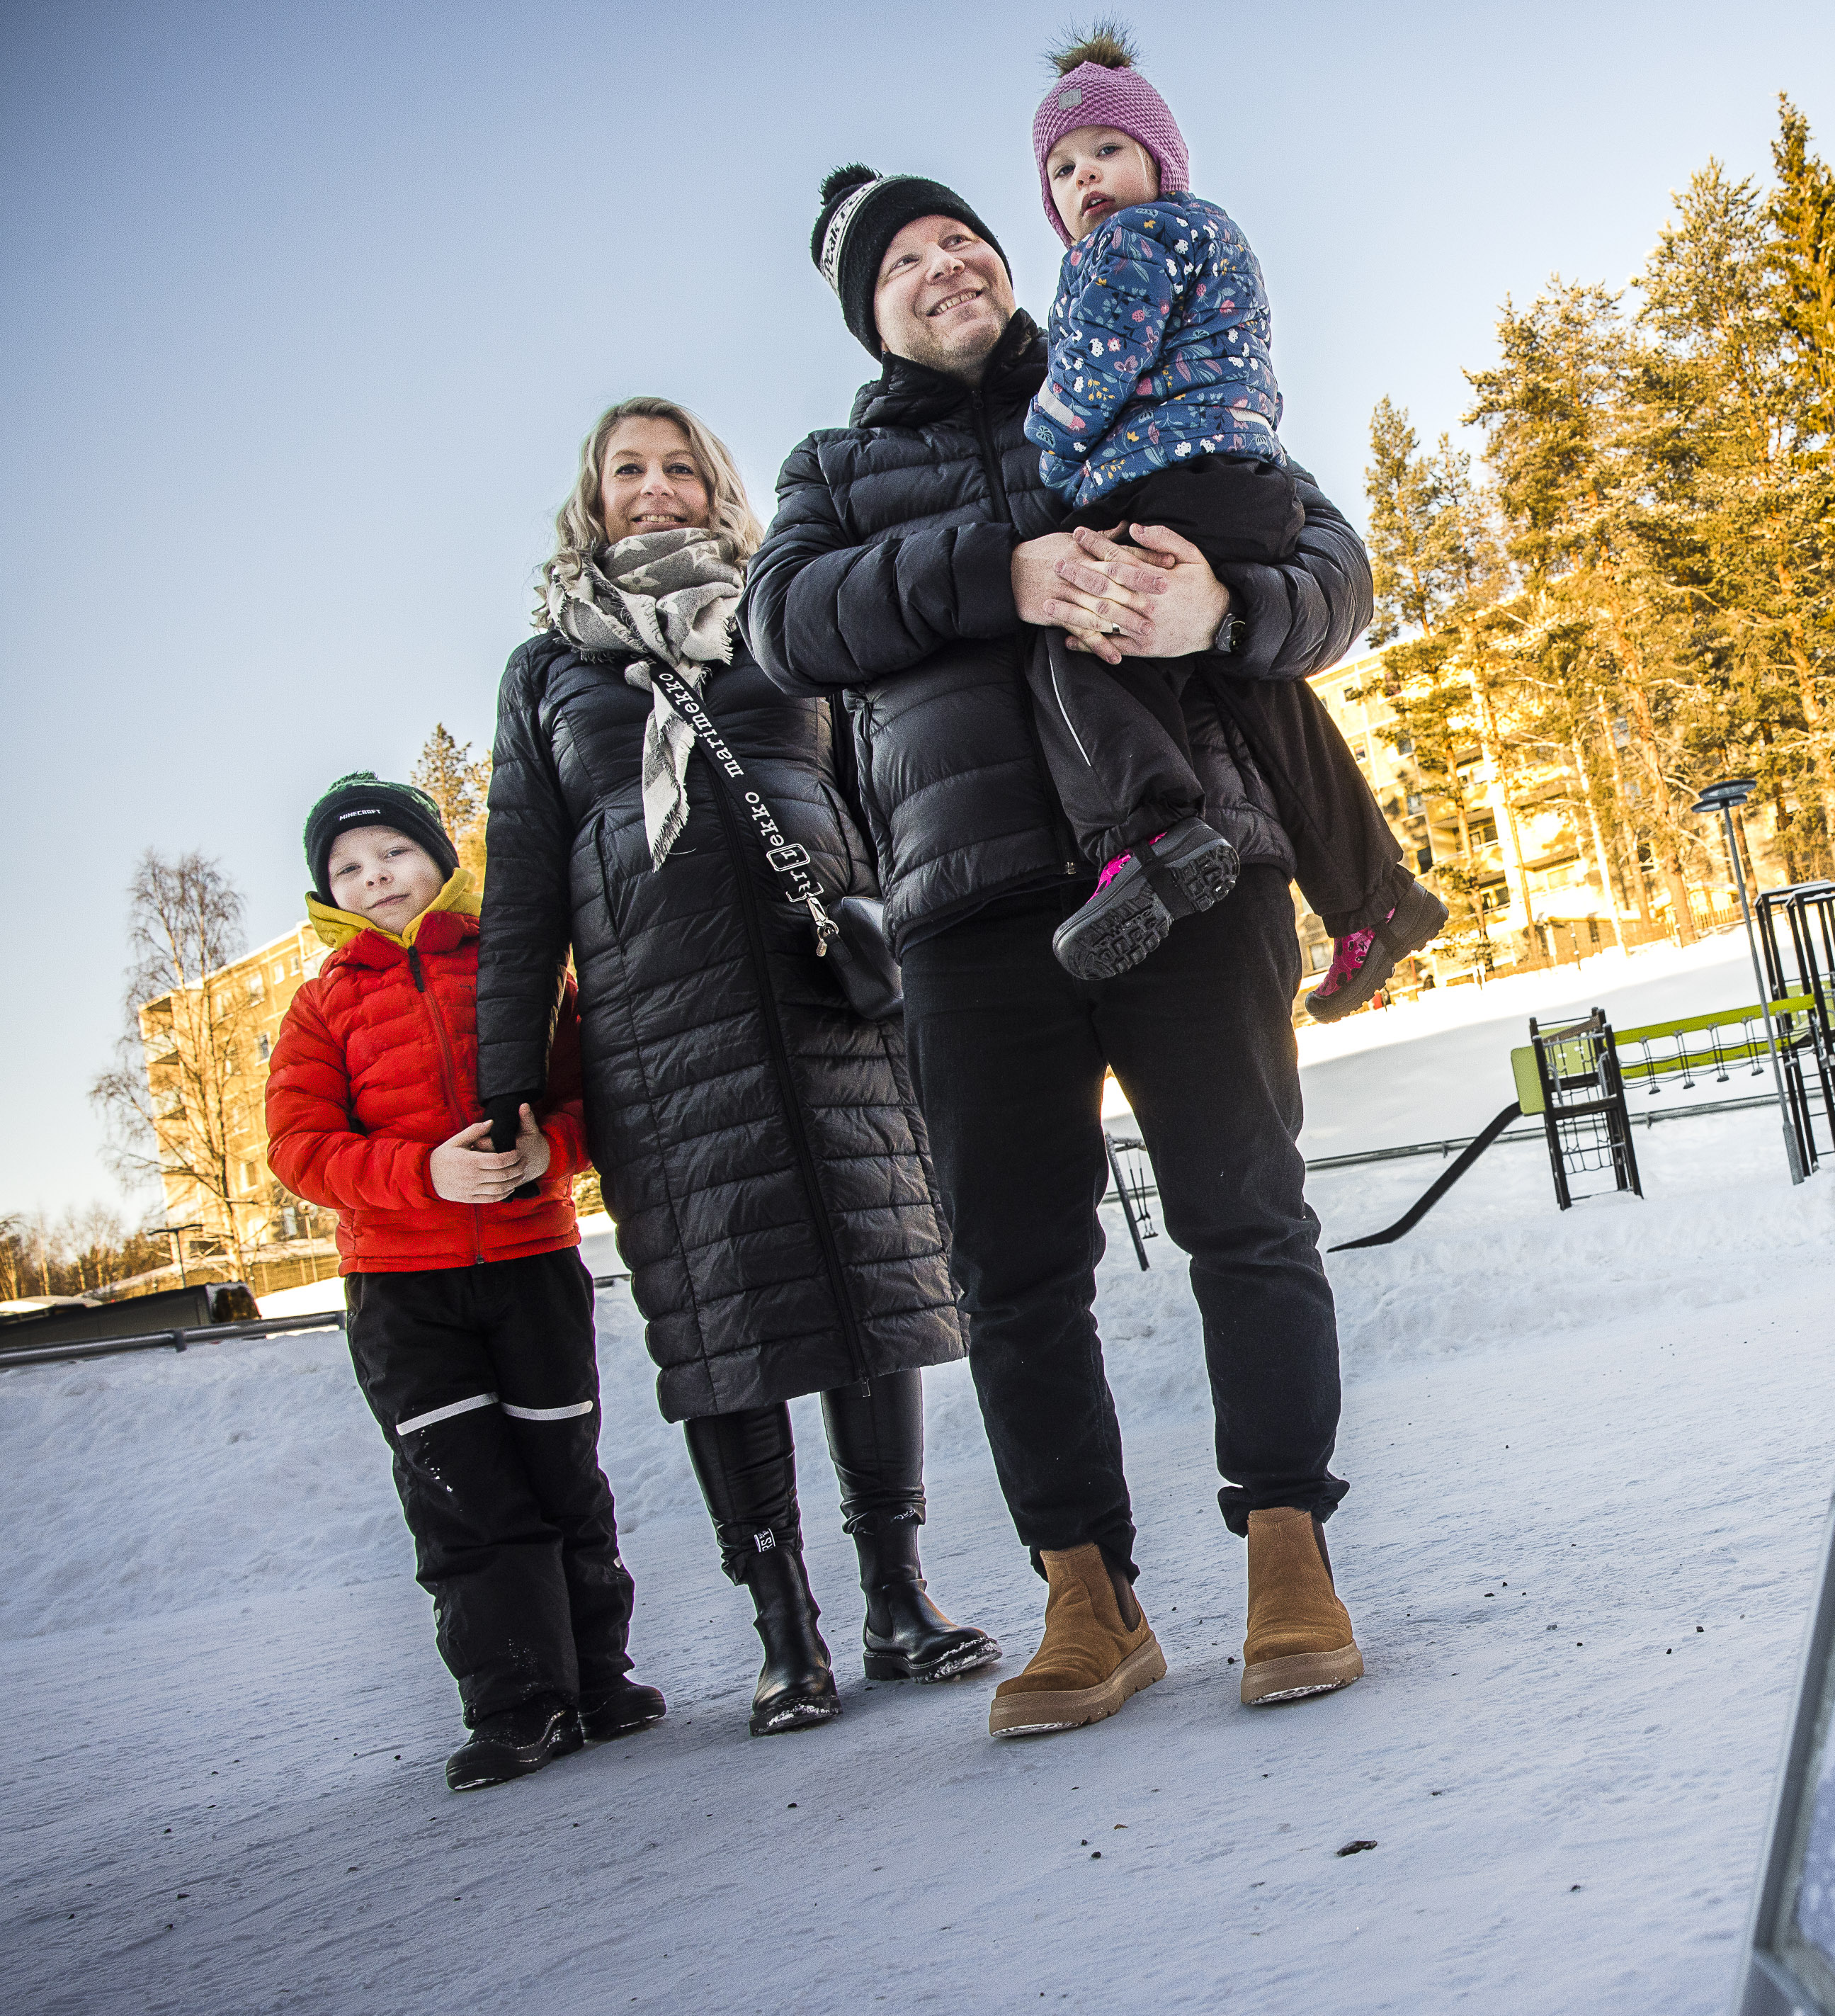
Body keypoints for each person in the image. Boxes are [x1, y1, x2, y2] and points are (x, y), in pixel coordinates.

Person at [744, 166, 1371, 1738]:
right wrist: (997, 573)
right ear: (868, 313)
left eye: (963, 237)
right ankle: (1086, 1590)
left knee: (1247, 1204)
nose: (944, 265)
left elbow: (1332, 564)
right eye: (903, 261)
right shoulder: (832, 470)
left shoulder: (1132, 357)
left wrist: (1224, 606)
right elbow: (788, 626)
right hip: (968, 901)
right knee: (1015, 1269)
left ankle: (1289, 1543)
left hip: (1195, 853)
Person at [475, 397, 996, 1740]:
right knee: (726, 1330)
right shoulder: (549, 672)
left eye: (681, 468)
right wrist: (506, 1075)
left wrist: (923, 953)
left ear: (719, 488)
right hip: (661, 1042)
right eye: (628, 472)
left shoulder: (782, 621)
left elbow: (879, 797)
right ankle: (787, 1635)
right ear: (593, 500)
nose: (657, 491)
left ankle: (898, 1596)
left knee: (876, 1286)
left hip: (834, 1006)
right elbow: (527, 888)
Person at [1005, 28, 1437, 999]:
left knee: (1089, 637)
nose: (1086, 181)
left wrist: (1055, 440)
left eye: (1107, 152)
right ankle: (1374, 895)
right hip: (1239, 482)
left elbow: (1092, 373)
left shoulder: (1129, 243)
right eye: (1063, 170)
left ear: (1162, 160)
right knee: (1263, 686)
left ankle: (1151, 834)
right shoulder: (1202, 236)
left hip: (1174, 480)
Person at [268, 774, 659, 1791]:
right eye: (347, 868)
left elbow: (588, 1095)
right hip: (404, 1289)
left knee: (559, 1470)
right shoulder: (322, 1007)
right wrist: (422, 1173)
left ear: (439, 859)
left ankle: (599, 1678)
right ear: (329, 895)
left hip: (531, 1262)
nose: (375, 877)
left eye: (391, 852)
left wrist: (548, 1155)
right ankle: (519, 1701)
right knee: (465, 1492)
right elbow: (300, 1148)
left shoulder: (513, 967)